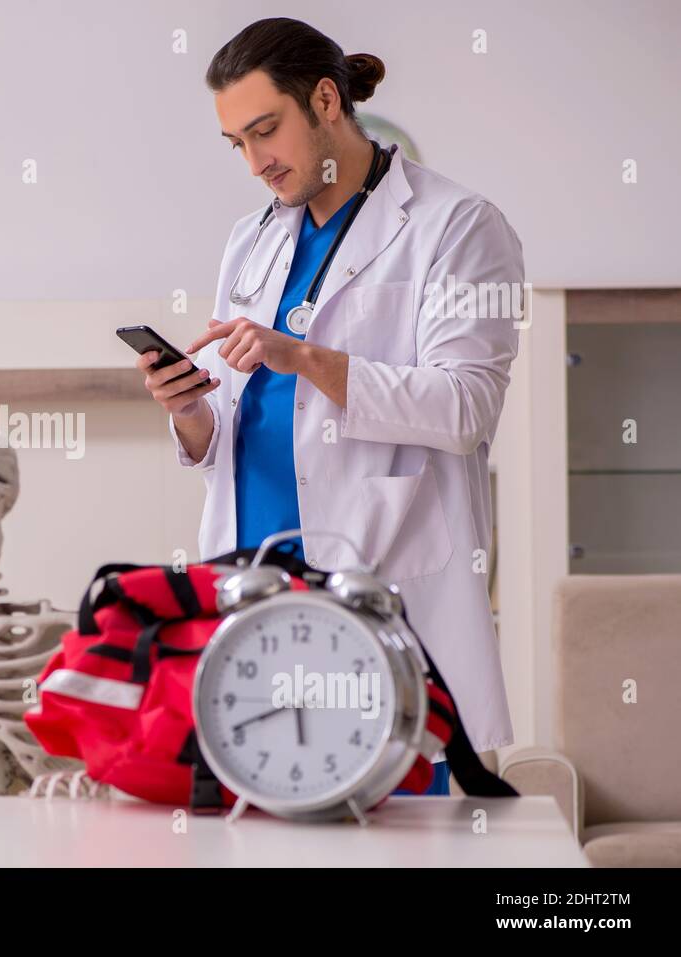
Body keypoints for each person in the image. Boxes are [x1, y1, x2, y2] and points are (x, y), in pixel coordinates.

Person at [136, 18, 525, 790]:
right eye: (235, 143)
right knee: (267, 812)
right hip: (257, 586)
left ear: (325, 101)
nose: (254, 162)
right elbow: (231, 424)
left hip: (382, 583)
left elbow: (465, 407)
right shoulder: (251, 241)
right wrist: (187, 408)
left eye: (265, 130)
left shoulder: (457, 227)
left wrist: (304, 357)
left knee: (400, 815)